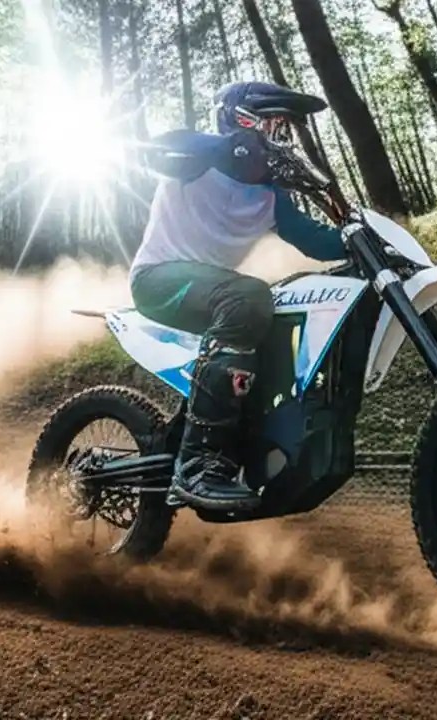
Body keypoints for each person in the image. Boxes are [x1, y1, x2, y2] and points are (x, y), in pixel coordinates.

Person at [129, 81, 345, 512]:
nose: (279, 137)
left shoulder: (271, 197)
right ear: (241, 120)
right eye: (272, 124)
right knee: (250, 298)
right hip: (158, 280)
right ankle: (197, 464)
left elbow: (315, 240)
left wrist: (365, 238)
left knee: (276, 313)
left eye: (286, 130)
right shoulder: (197, 160)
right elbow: (157, 150)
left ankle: (235, 441)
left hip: (212, 291)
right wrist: (227, 149)